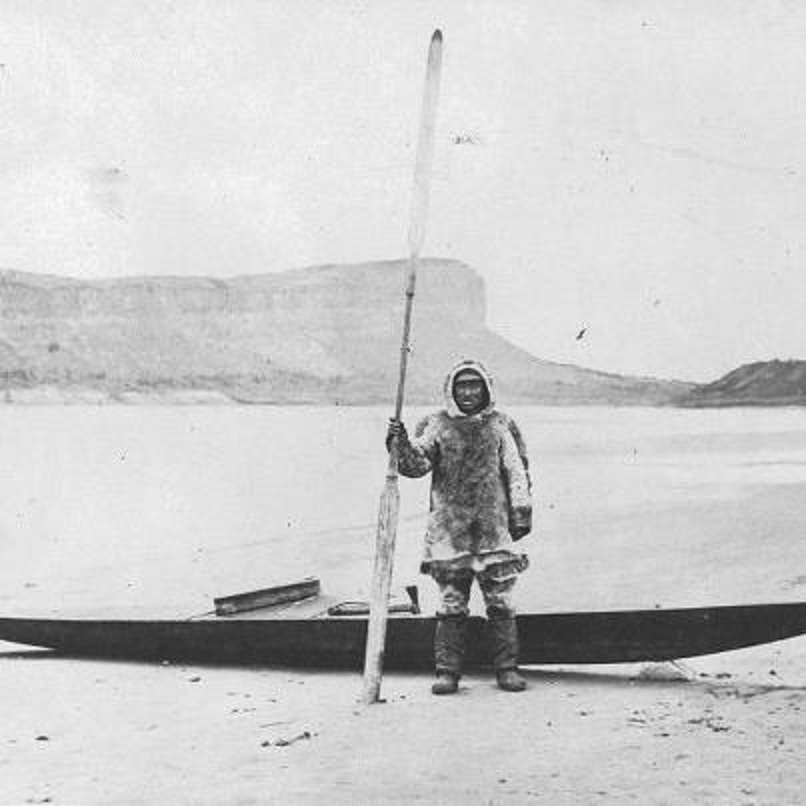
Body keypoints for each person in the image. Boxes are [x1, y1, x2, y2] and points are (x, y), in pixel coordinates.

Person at [386, 359, 533, 694]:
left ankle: (507, 669)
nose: (468, 392)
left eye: (474, 385)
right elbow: (416, 465)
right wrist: (400, 442)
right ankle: (447, 672)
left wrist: (521, 514)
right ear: (451, 389)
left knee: (501, 602)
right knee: (452, 602)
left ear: (486, 388)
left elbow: (516, 472)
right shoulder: (437, 425)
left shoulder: (500, 425)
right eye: (462, 385)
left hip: (493, 532)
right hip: (449, 534)